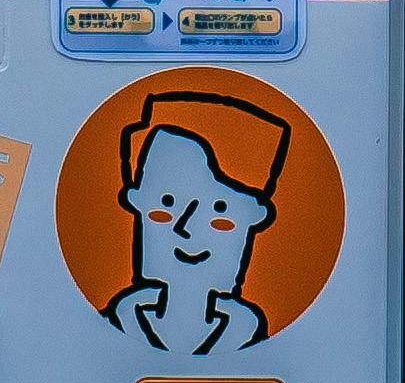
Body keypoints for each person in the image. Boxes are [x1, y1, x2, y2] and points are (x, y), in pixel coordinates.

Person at [102, 86, 292, 355]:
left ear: (252, 223)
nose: (185, 228)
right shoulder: (109, 326)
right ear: (139, 207)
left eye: (219, 215)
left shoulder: (254, 339)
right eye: (166, 206)